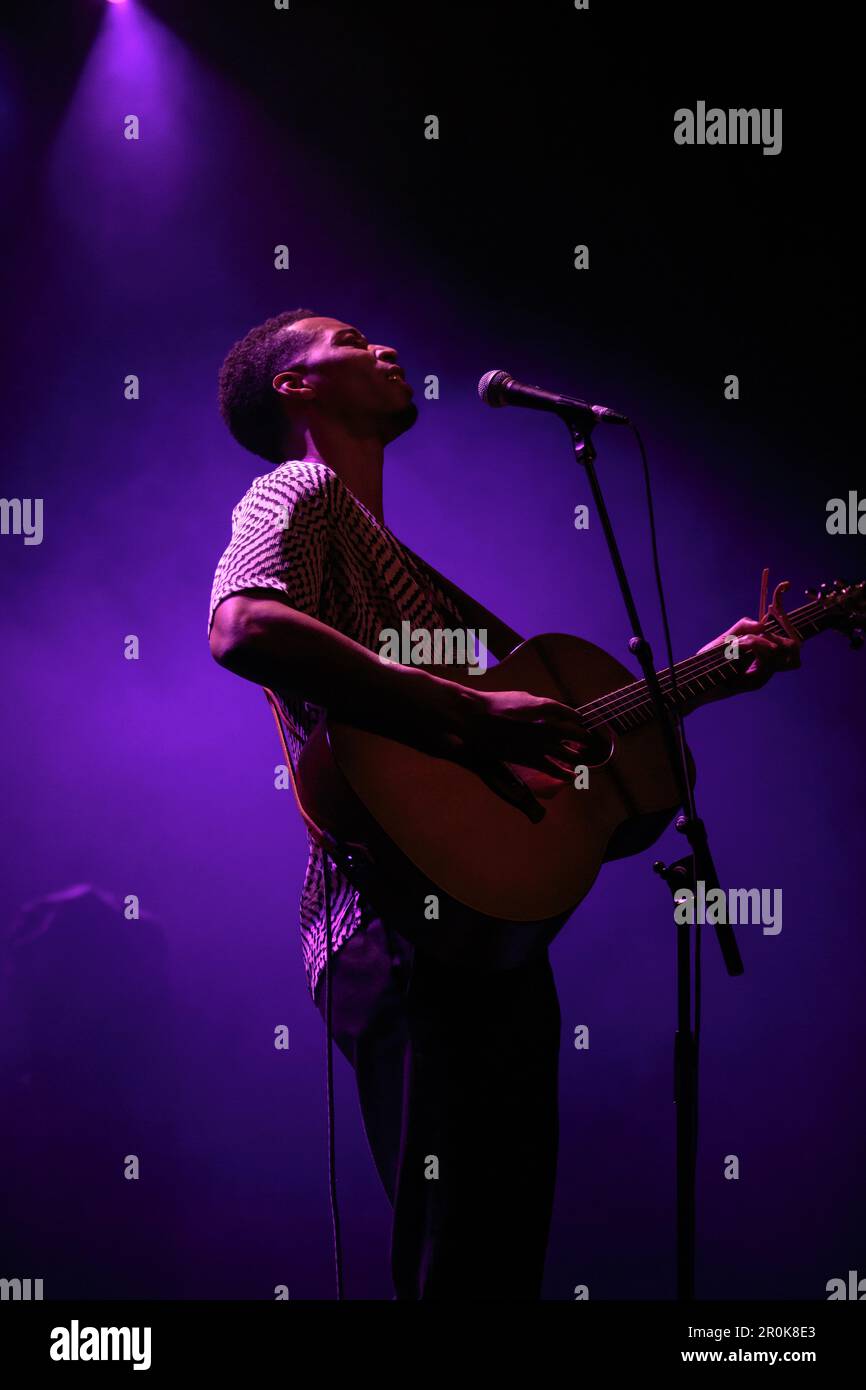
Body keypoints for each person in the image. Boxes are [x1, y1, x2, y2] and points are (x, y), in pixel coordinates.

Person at [207, 308, 799, 1299]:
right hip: (395, 917)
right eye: (347, 339)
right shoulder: (296, 486)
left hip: (487, 927)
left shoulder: (408, 578)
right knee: (461, 1255)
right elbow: (241, 624)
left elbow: (551, 758)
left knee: (494, 1258)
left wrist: (710, 672)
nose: (384, 346)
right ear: (292, 387)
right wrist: (473, 713)